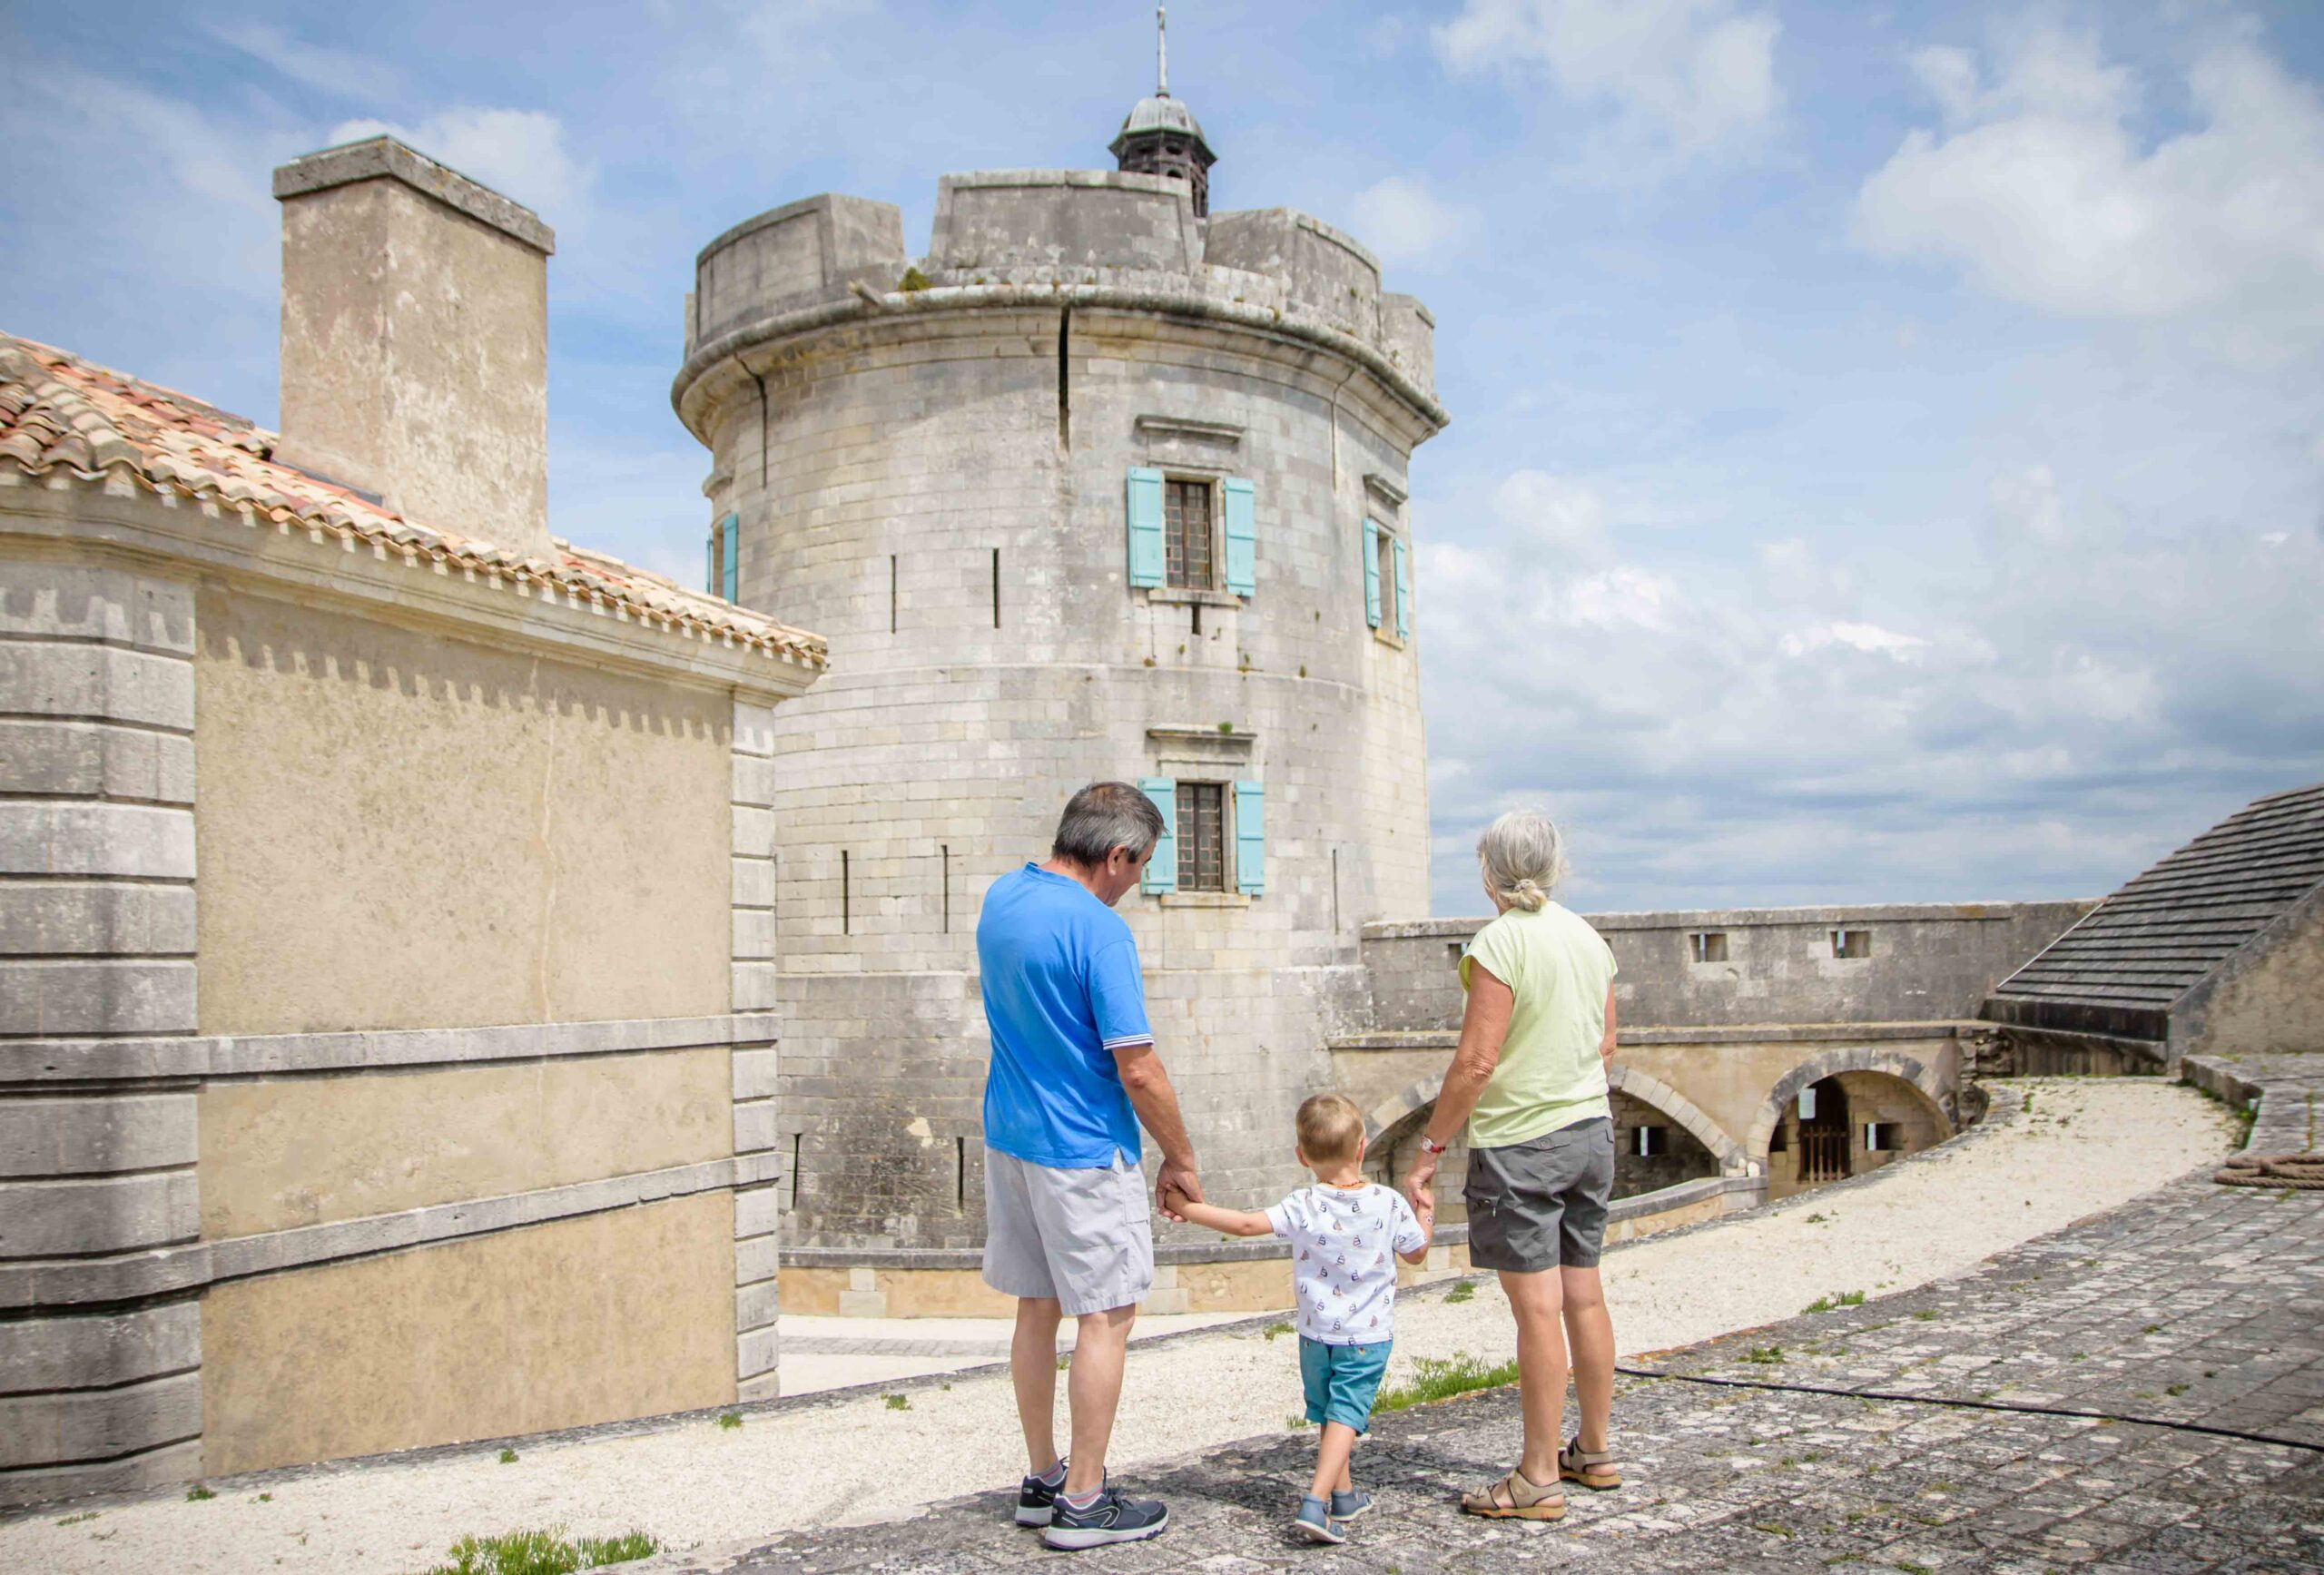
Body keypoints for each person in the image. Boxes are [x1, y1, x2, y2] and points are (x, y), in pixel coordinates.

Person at [978, 782, 1203, 1551]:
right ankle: (1085, 1499)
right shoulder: (1099, 932)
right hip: (1080, 1150)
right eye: (1140, 866)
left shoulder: (1003, 897)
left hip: (1010, 1136)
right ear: (1115, 855)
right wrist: (1180, 1155)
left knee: (1036, 1307)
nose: (1139, 881)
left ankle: (1043, 1477)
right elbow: (1138, 1067)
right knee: (1105, 1314)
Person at [1400, 809, 1625, 1522]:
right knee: (1584, 1294)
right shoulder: (1588, 938)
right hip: (1591, 1131)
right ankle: (1593, 1448)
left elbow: (1475, 1062)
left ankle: (1536, 1476)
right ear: (1554, 866)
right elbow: (1607, 1042)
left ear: (1490, 871)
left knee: (1537, 1310)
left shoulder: (1499, 942)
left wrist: (1430, 1147)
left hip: (1523, 1144)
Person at [1165, 1093, 1432, 1545]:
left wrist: (1186, 1208)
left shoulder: (1304, 1203)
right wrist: (1425, 1214)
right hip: (1366, 1335)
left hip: (1314, 1335)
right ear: (1362, 1147)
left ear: (1301, 1156)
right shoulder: (1387, 1202)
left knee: (1330, 1410)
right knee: (1347, 1413)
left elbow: (1247, 1225)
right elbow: (1418, 1252)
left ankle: (1344, 1496)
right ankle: (1315, 1502)